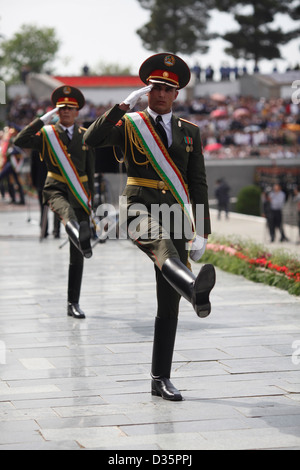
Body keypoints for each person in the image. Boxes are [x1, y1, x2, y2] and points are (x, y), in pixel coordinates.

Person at [84, 53, 216, 401]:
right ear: (147, 90)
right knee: (163, 248)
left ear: (176, 95)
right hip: (138, 206)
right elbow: (90, 141)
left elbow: (198, 182)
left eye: (167, 88)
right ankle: (195, 289)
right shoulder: (131, 123)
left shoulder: (190, 132)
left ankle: (160, 379)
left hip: (175, 212)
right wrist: (123, 106)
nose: (160, 93)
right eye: (155, 87)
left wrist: (201, 229)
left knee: (167, 303)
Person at [14, 86, 95, 319]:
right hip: (56, 189)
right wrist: (42, 120)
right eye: (62, 108)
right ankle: (81, 233)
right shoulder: (47, 133)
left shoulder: (85, 135)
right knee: (67, 214)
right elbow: (21, 140)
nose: (66, 111)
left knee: (77, 255)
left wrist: (91, 201)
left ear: (77, 111)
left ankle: (73, 303)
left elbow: (89, 170)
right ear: (56, 111)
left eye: (70, 108)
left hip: (79, 193)